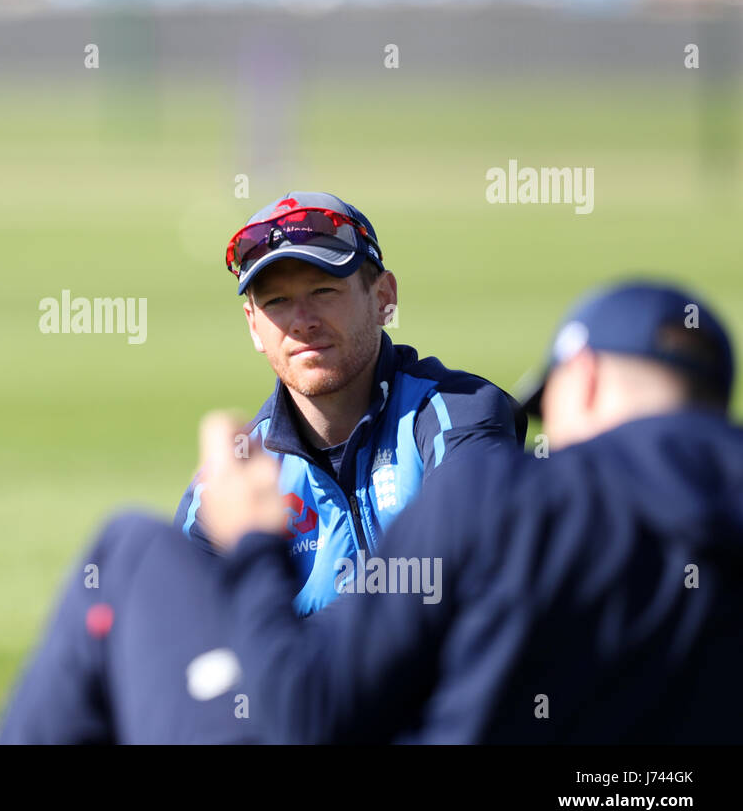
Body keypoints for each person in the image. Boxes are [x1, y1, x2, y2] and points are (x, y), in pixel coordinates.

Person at [214, 281, 743, 743]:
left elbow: (305, 715)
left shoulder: (498, 496)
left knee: (132, 544)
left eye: (545, 409)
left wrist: (252, 546)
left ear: (583, 380)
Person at [175, 192, 523, 615]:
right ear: (253, 325)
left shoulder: (458, 412)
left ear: (383, 299)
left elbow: (465, 580)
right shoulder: (232, 478)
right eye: (277, 301)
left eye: (323, 290)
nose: (302, 321)